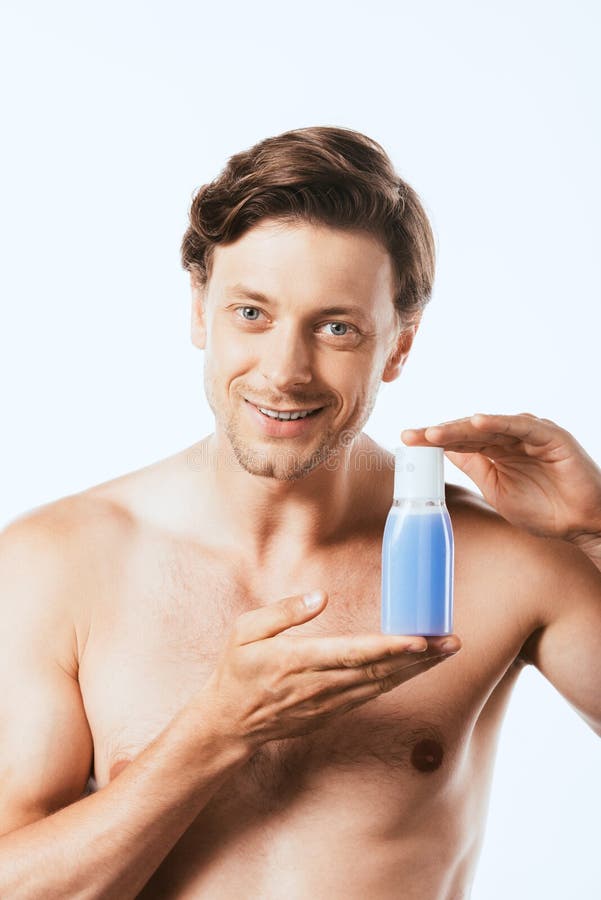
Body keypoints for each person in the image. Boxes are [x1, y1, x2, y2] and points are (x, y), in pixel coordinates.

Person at [0, 125, 599, 899]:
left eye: (336, 327)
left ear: (398, 345)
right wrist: (214, 731)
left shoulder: (503, 557)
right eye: (251, 314)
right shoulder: (55, 564)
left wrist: (594, 531)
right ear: (200, 312)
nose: (284, 371)